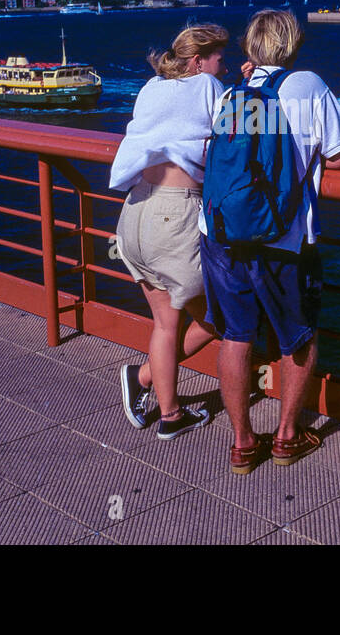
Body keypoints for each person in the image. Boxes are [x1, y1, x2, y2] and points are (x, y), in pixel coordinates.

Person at [201, 10, 340, 474]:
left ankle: (243, 444)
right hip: (282, 240)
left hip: (223, 234)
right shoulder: (306, 84)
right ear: (292, 46)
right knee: (298, 337)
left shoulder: (233, 92)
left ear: (250, 48)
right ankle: (288, 437)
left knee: (234, 337)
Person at [110, 24, 228, 439]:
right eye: (219, 59)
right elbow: (234, 140)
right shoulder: (208, 87)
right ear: (199, 62)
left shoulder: (152, 87)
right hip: (175, 216)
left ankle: (169, 410)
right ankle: (144, 378)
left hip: (136, 210)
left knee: (165, 323)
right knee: (221, 315)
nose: (223, 67)